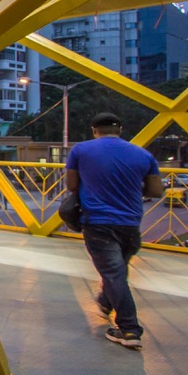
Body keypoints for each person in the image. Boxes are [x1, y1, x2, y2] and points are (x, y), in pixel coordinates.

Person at [66, 112, 162, 350]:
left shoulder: (80, 151)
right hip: (130, 224)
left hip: (98, 222)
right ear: (120, 130)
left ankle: (129, 330)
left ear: (94, 130)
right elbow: (155, 191)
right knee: (117, 271)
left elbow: (71, 185)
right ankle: (105, 302)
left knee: (113, 274)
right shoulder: (143, 154)